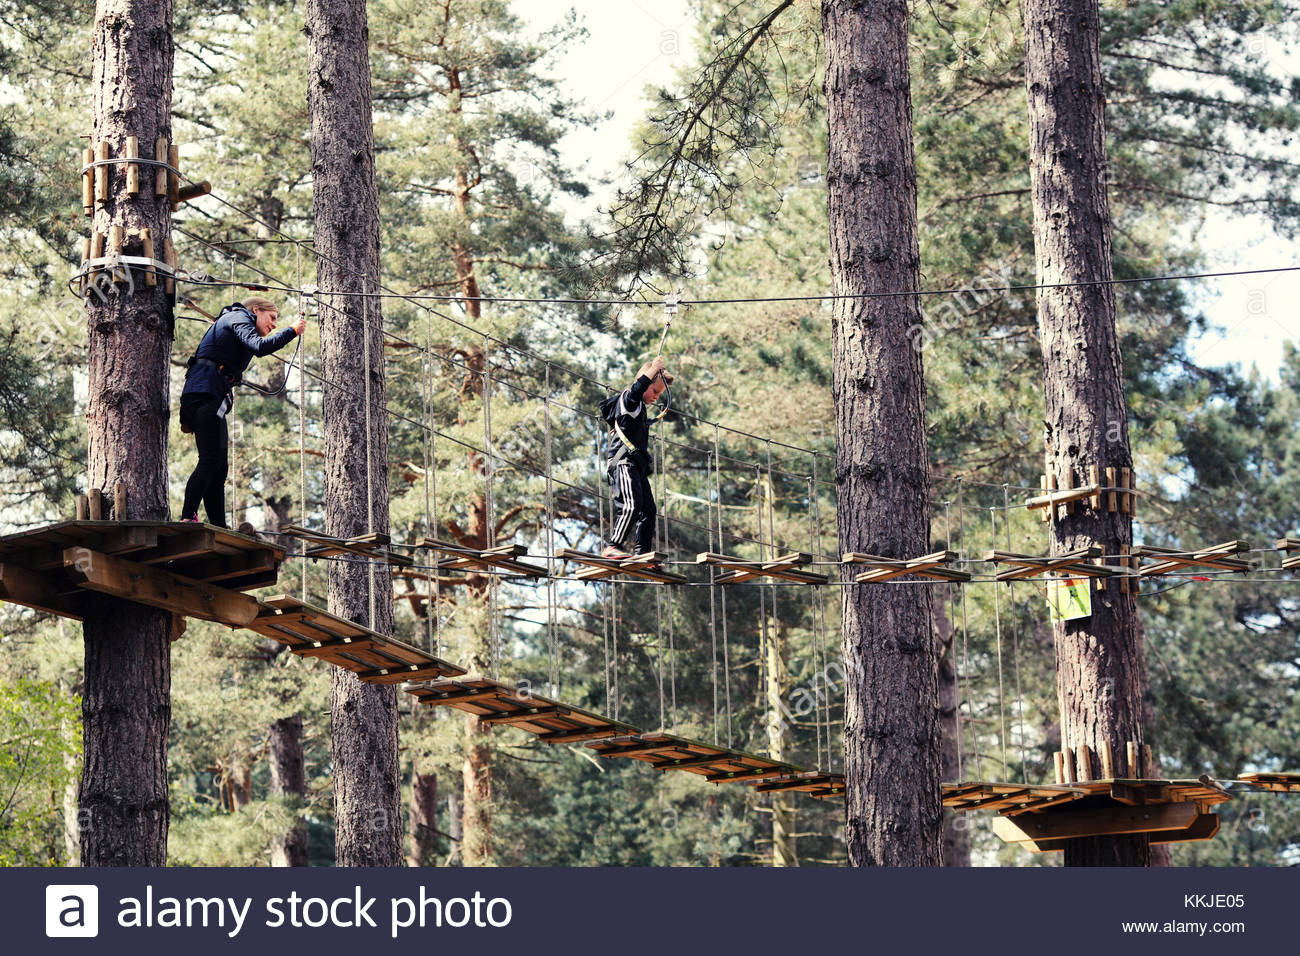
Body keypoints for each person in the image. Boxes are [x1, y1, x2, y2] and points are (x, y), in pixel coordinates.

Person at [179, 296, 305, 527]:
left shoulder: (234, 324)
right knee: (210, 460)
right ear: (256, 310)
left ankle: (218, 524)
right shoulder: (238, 316)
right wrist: (292, 331)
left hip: (208, 395)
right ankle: (188, 515)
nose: (274, 324)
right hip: (205, 394)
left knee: (219, 467)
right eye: (272, 317)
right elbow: (259, 347)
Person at [599, 355, 674, 559]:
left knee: (648, 509)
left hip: (636, 466)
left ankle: (643, 552)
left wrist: (655, 375)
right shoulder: (629, 402)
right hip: (623, 463)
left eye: (659, 393)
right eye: (655, 391)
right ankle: (612, 546)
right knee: (631, 505)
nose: (656, 396)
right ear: (645, 383)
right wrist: (652, 371)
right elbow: (636, 390)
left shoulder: (640, 411)